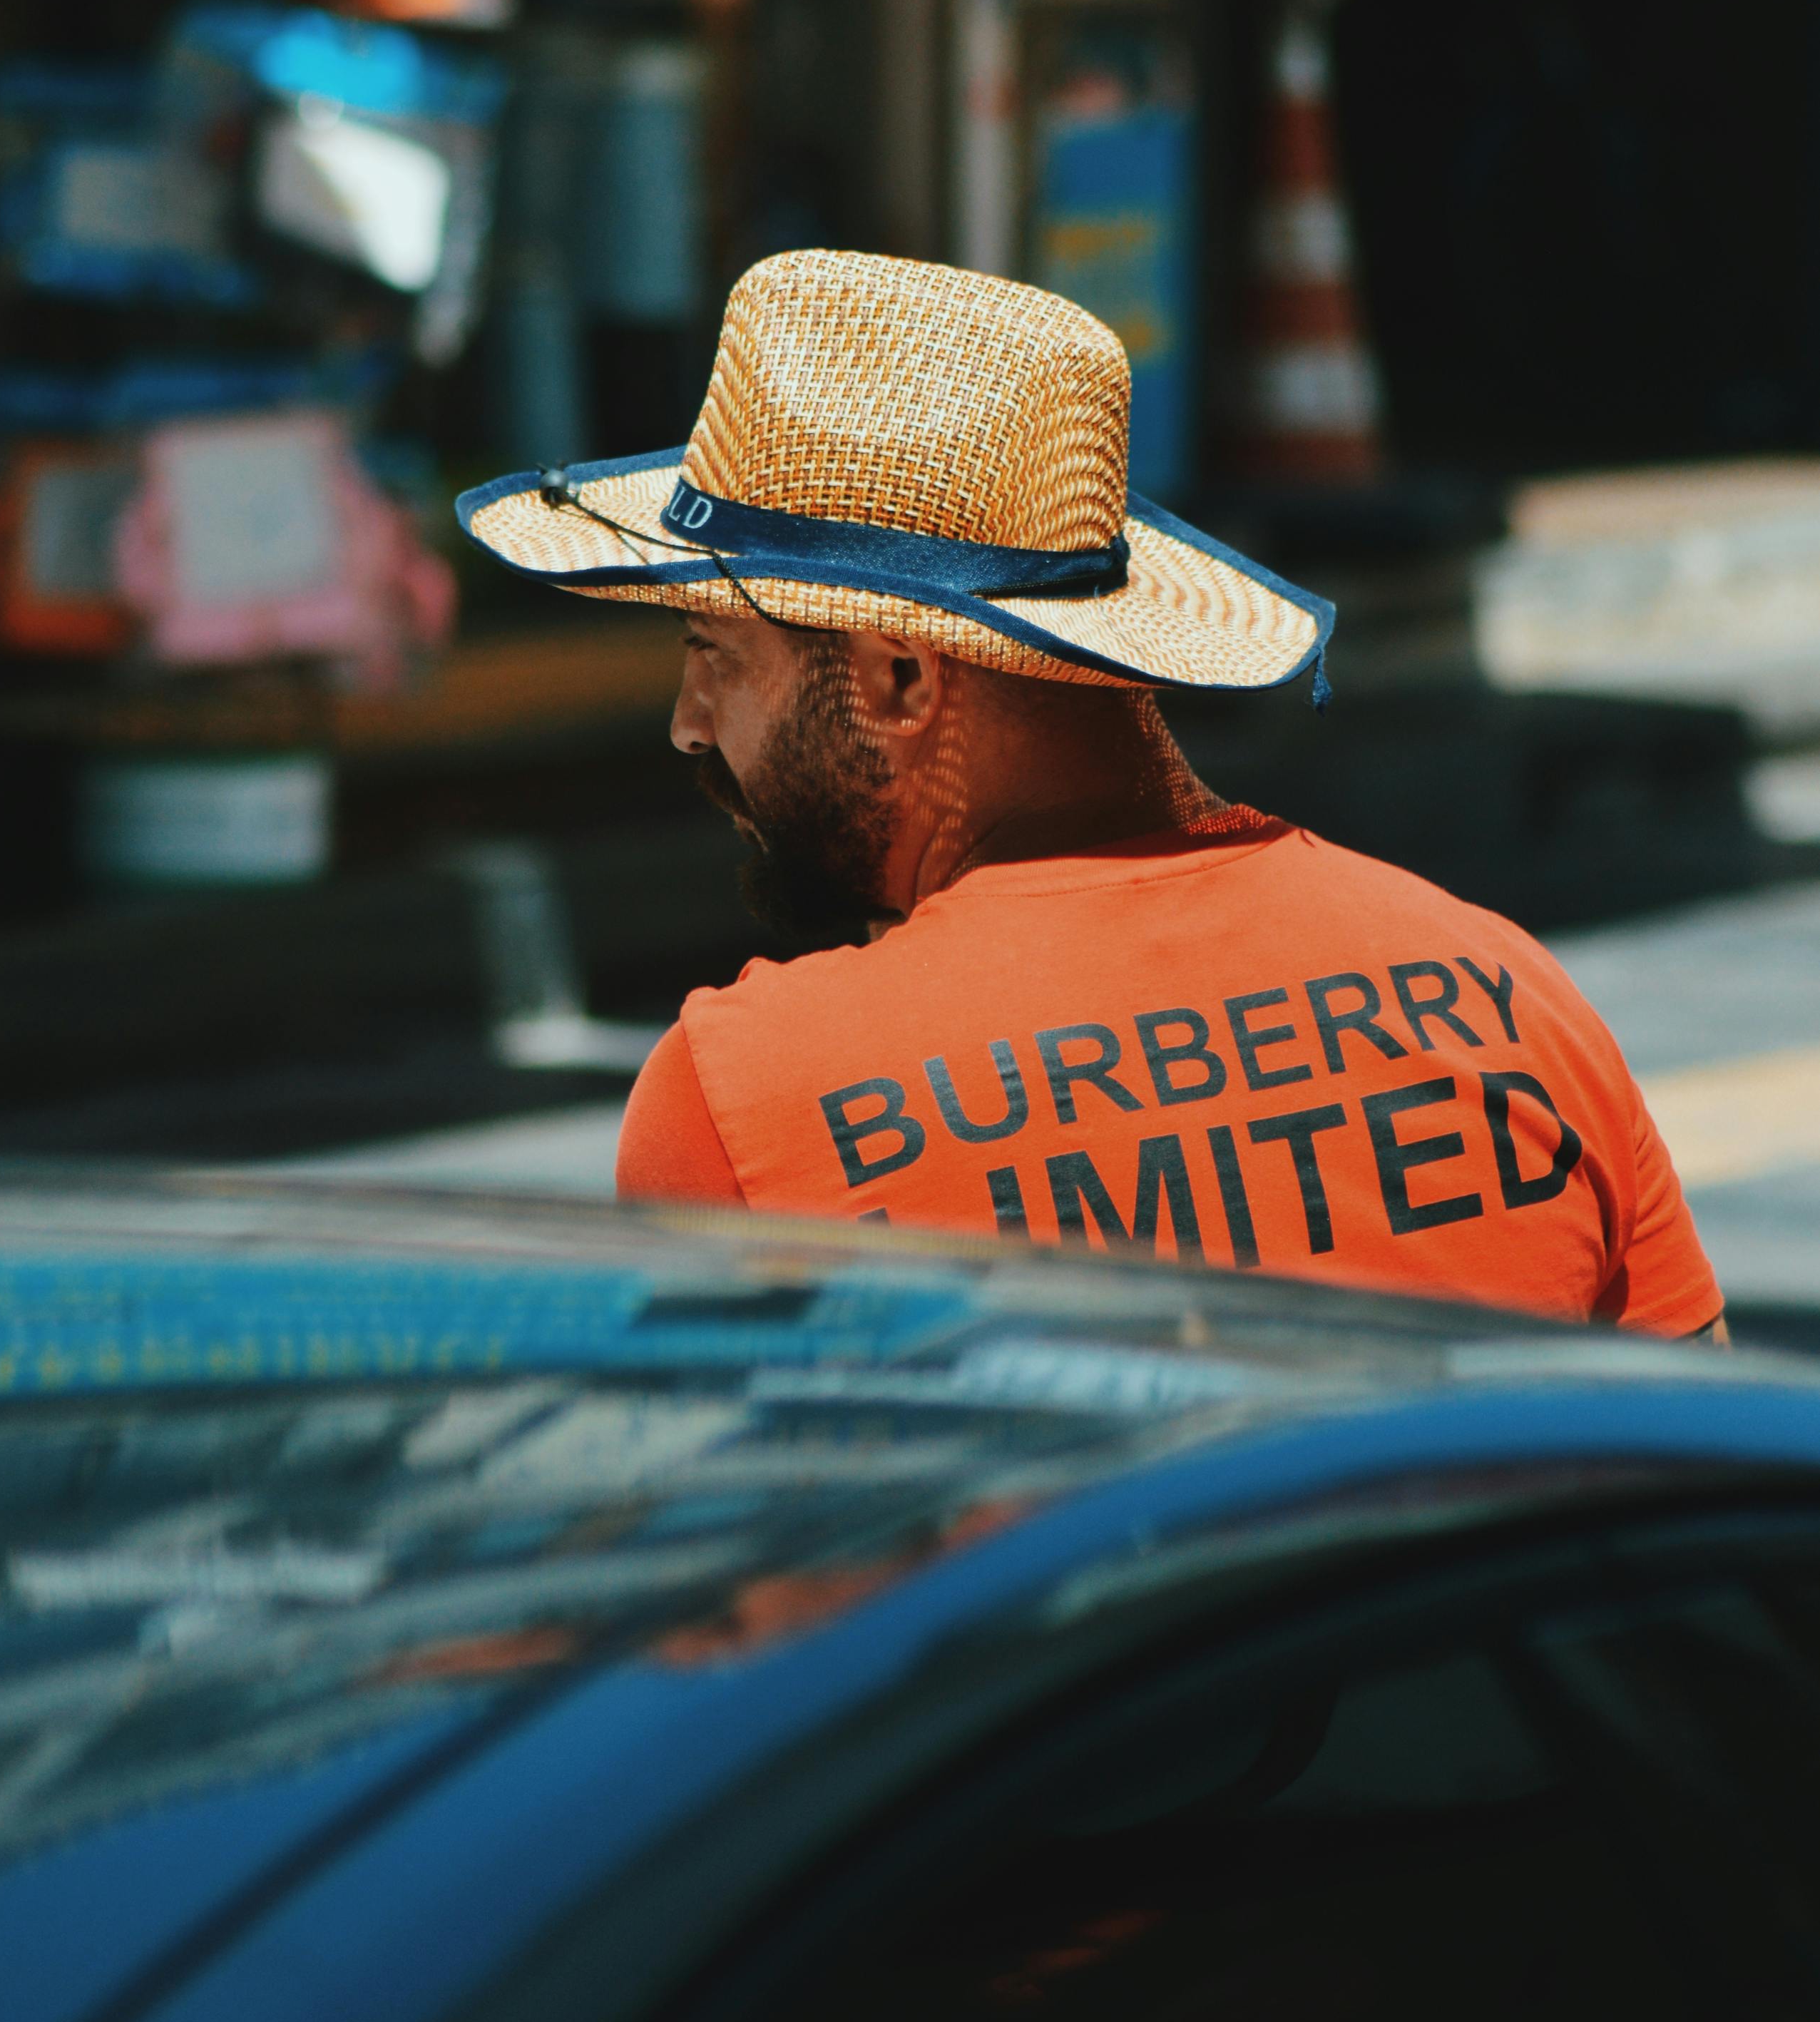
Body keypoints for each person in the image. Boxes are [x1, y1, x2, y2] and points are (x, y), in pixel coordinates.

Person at [461, 249, 1724, 1338]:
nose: (687, 728)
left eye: (712, 655)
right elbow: (1692, 1507)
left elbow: (747, 1590)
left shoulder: (743, 1102)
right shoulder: (1507, 992)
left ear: (899, 677)